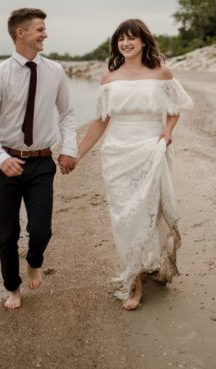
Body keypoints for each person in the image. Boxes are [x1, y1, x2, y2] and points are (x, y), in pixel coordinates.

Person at [76, 18, 193, 311]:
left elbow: (174, 108)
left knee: (147, 214)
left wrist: (168, 131)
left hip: (150, 148)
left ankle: (142, 269)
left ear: (143, 41)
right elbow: (101, 120)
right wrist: (77, 154)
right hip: (117, 153)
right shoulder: (109, 78)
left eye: (131, 38)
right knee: (124, 217)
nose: (125, 44)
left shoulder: (161, 73)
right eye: (120, 39)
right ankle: (134, 277)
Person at [0, 7, 77, 310]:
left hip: (42, 162)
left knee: (42, 229)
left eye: (44, 29)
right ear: (21, 33)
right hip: (5, 164)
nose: (45, 34)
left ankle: (34, 261)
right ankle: (12, 287)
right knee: (7, 234)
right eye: (39, 29)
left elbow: (68, 113)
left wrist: (68, 148)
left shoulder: (55, 71)